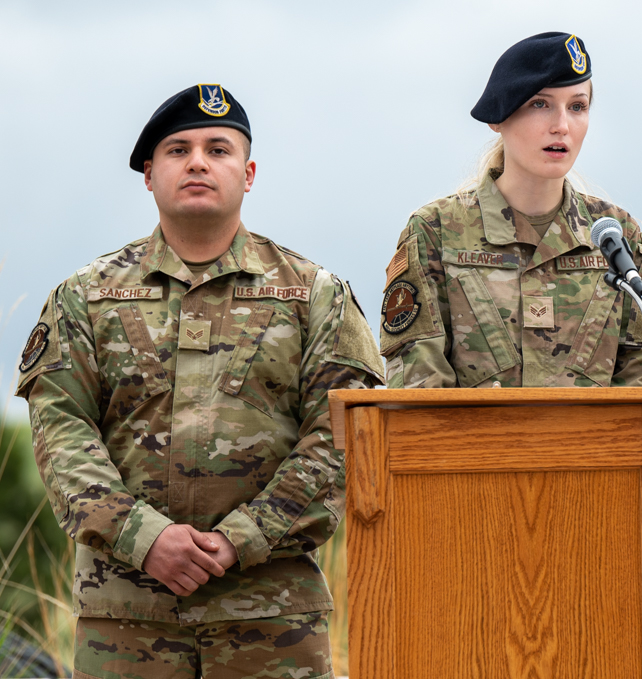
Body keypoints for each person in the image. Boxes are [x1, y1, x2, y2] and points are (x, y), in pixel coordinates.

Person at [16, 84, 383, 679]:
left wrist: (246, 536)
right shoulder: (84, 297)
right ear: (148, 174)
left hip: (272, 619)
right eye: (177, 149)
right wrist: (142, 537)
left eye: (218, 148)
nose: (197, 162)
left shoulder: (315, 296)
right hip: (125, 619)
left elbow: (343, 437)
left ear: (249, 171)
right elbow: (61, 436)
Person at [380, 32, 642, 388]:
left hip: (596, 445)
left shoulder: (616, 236)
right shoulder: (435, 232)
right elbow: (418, 392)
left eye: (577, 107)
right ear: (499, 116)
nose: (562, 126)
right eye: (540, 104)